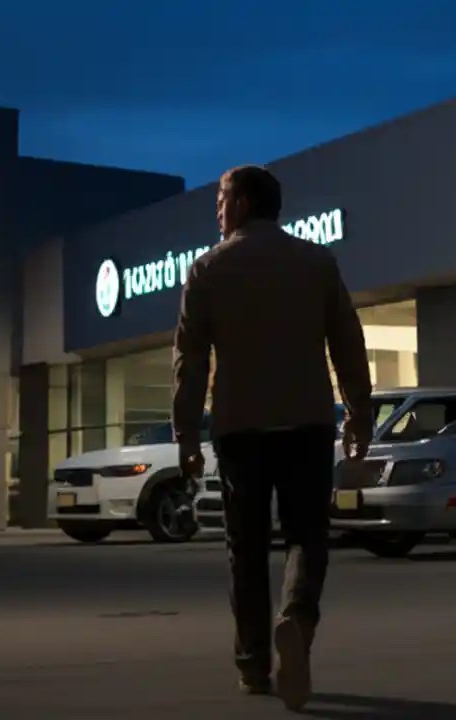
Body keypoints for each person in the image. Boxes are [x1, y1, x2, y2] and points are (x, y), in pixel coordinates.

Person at [171, 165, 373, 711]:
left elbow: (190, 362)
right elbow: (347, 343)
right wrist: (359, 412)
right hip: (307, 421)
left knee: (248, 547)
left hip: (240, 429)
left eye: (219, 199)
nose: (215, 210)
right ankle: (297, 619)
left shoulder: (208, 270)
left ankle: (254, 665)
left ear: (239, 204)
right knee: (308, 534)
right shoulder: (316, 262)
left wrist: (186, 433)